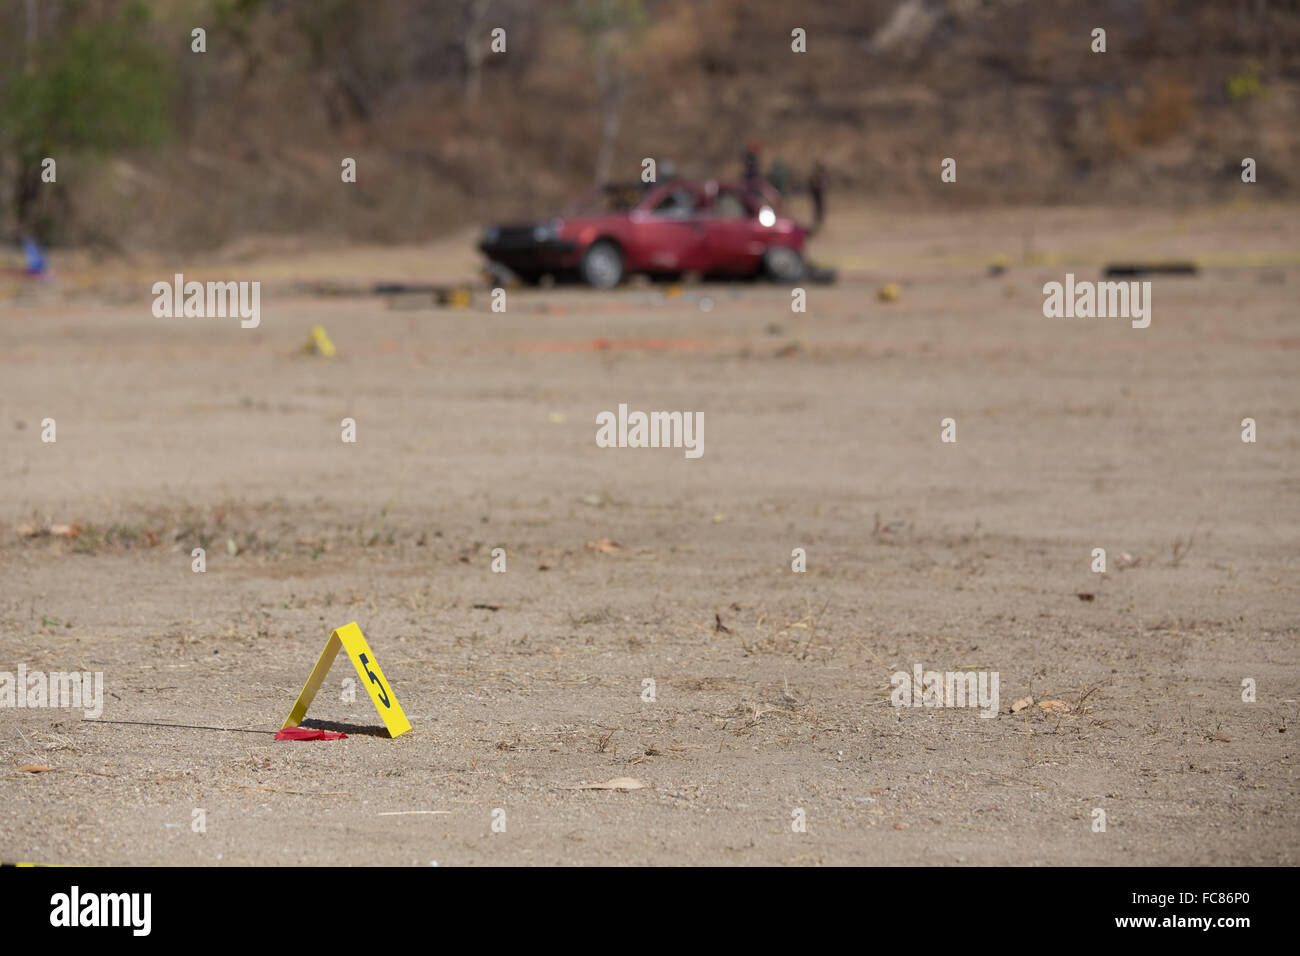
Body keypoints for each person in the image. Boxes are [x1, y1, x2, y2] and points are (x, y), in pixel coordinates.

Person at [809, 161, 827, 233]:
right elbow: (813, 184)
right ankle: (818, 218)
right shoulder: (816, 175)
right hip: (817, 193)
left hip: (818, 193)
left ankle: (819, 218)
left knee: (819, 207)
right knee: (818, 206)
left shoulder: (819, 175)